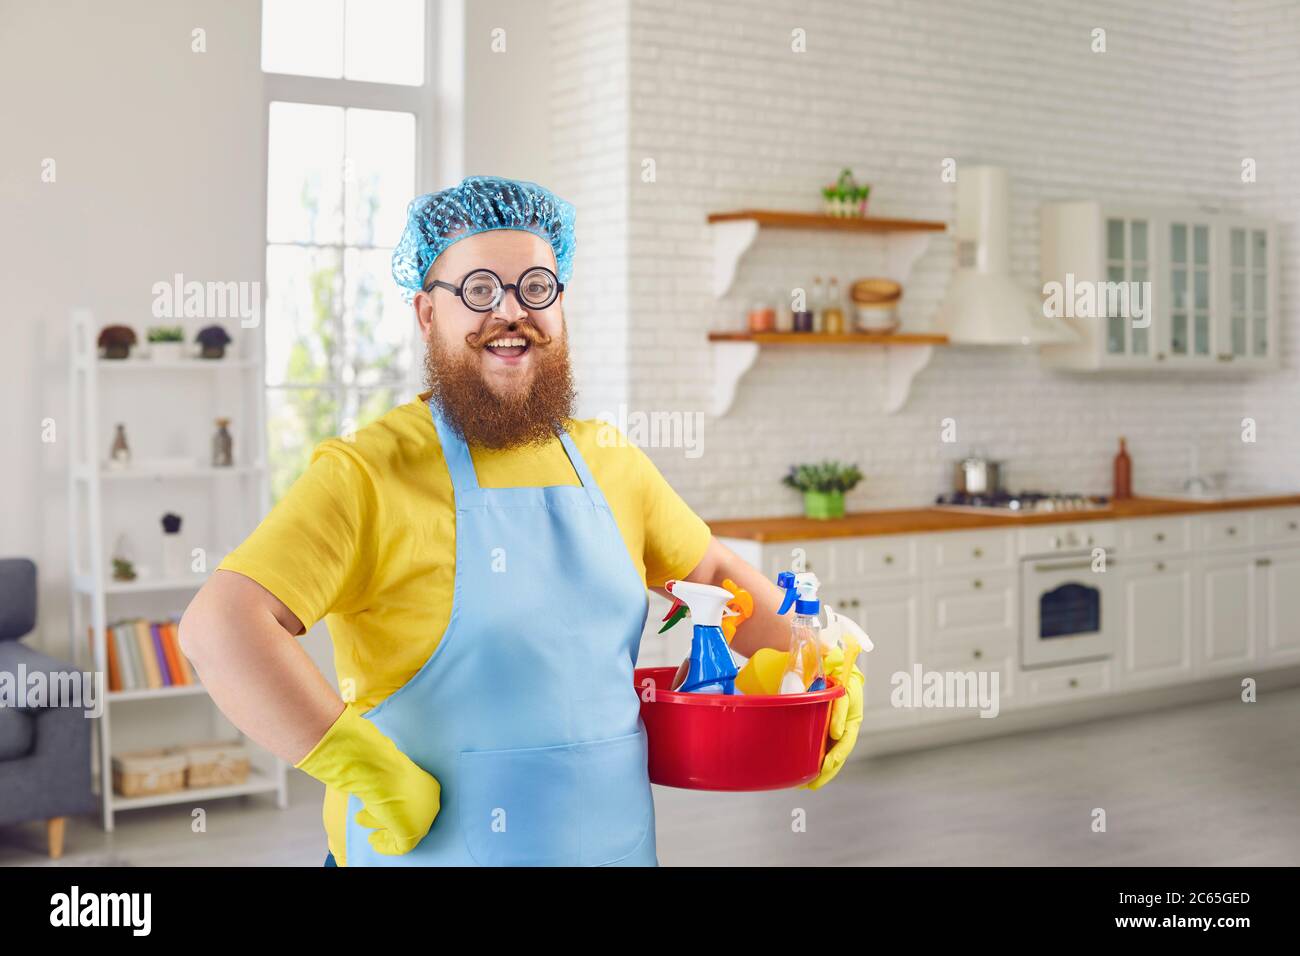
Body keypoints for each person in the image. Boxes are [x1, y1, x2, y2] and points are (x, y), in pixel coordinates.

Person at [179, 176, 864, 867]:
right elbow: (220, 627)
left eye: (537, 287)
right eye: (478, 290)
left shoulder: (609, 462)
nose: (511, 312)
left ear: (560, 306)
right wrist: (366, 769)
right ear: (425, 313)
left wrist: (822, 665)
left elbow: (715, 580)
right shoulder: (368, 473)